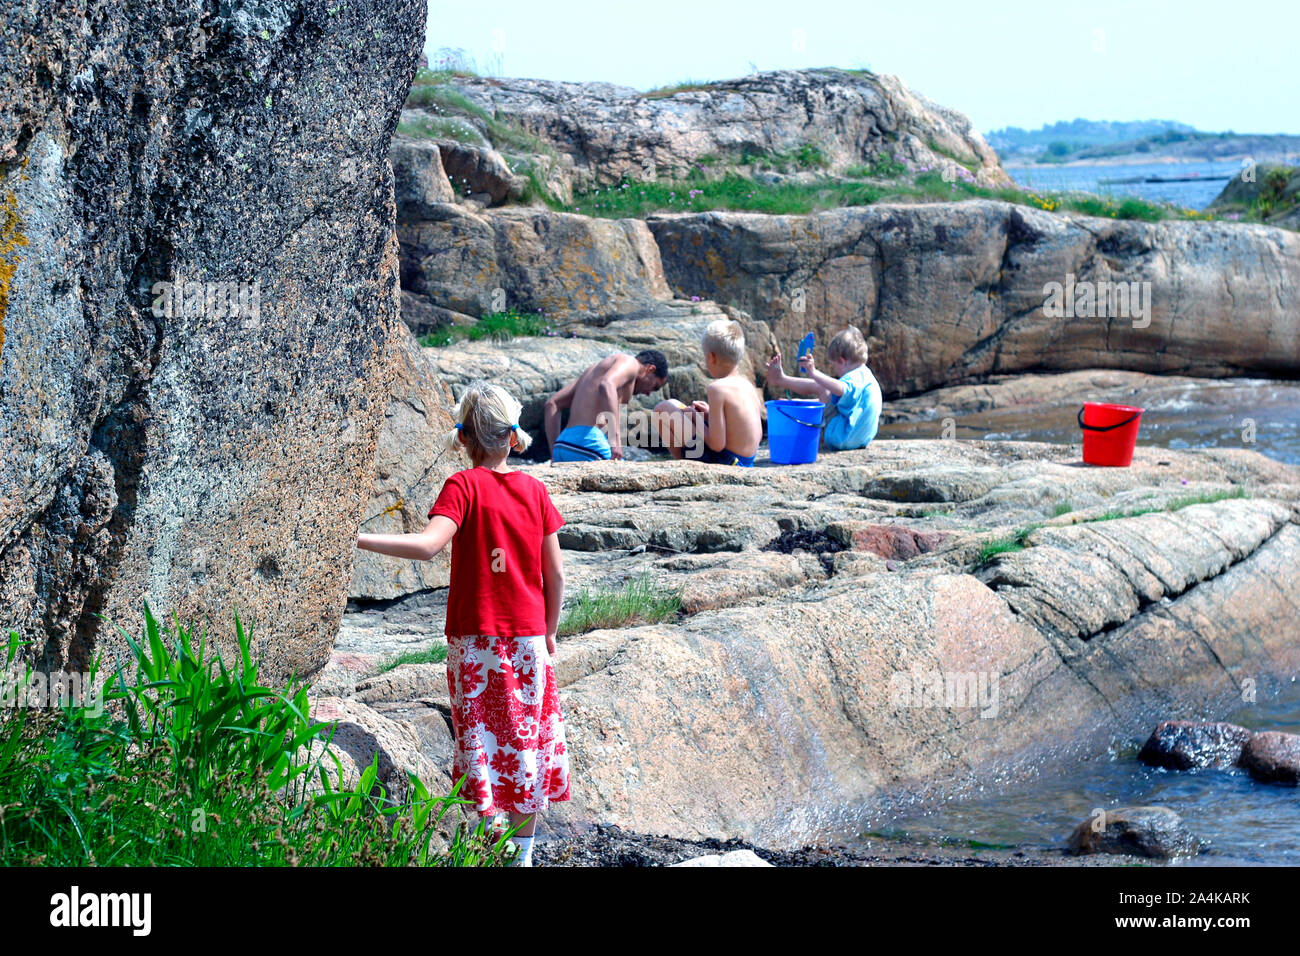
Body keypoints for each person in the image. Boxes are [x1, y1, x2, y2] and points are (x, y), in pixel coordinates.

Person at [356, 381, 568, 867]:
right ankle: (523, 858)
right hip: (530, 639)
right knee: (525, 743)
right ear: (511, 436)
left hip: (478, 643)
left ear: (465, 436)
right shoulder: (535, 490)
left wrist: (357, 538)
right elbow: (554, 573)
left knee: (483, 741)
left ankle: (495, 852)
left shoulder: (463, 485)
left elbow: (429, 545)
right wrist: (550, 629)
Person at [654, 318, 763, 467]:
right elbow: (742, 426)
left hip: (728, 464)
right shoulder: (747, 385)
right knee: (674, 404)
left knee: (663, 409)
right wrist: (710, 414)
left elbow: (717, 444)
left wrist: (696, 417)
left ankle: (685, 468)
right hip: (745, 462)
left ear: (711, 357)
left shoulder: (717, 388)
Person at [764, 326, 882, 450]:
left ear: (842, 361)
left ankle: (780, 380)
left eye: (833, 365)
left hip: (840, 437)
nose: (834, 370)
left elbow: (838, 389)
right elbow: (829, 401)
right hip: (860, 439)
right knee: (828, 393)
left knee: (822, 387)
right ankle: (785, 386)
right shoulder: (867, 378)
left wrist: (814, 373)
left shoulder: (852, 379)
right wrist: (795, 403)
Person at [544, 350, 668, 462]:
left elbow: (552, 403)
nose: (649, 393)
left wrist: (554, 453)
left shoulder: (593, 371)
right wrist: (615, 441)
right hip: (588, 443)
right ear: (650, 369)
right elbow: (607, 384)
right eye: (655, 386)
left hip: (562, 445)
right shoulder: (631, 362)